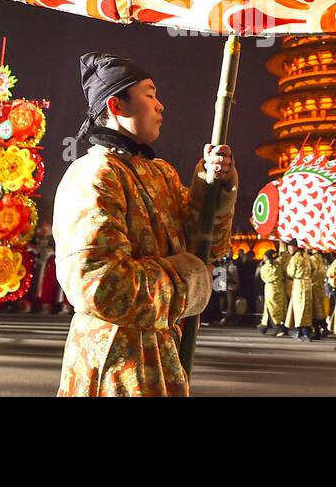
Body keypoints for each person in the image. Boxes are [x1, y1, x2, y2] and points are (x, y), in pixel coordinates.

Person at [53, 53, 236, 397]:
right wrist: (185, 281)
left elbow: (205, 246)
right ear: (116, 105)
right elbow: (99, 285)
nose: (160, 106)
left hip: (161, 351)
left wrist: (214, 186)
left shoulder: (160, 173)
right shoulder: (94, 175)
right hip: (114, 359)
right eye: (150, 95)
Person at [285, 241, 316, 342]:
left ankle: (303, 333)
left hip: (299, 283)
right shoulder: (307, 256)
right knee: (306, 308)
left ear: (294, 247)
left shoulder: (295, 258)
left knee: (299, 308)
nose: (289, 249)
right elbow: (315, 268)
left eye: (289, 247)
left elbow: (291, 272)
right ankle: (303, 331)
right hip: (308, 283)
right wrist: (310, 277)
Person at [259, 249, 289, 336]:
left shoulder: (265, 267)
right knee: (277, 308)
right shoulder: (279, 265)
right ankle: (264, 326)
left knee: (272, 308)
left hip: (270, 288)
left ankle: (278, 328)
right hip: (280, 287)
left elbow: (263, 278)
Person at [310, 251, 329, 339]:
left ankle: (317, 331)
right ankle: (324, 328)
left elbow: (311, 273)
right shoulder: (322, 260)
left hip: (313, 286)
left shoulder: (311, 260)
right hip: (321, 287)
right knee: (320, 310)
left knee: (314, 311)